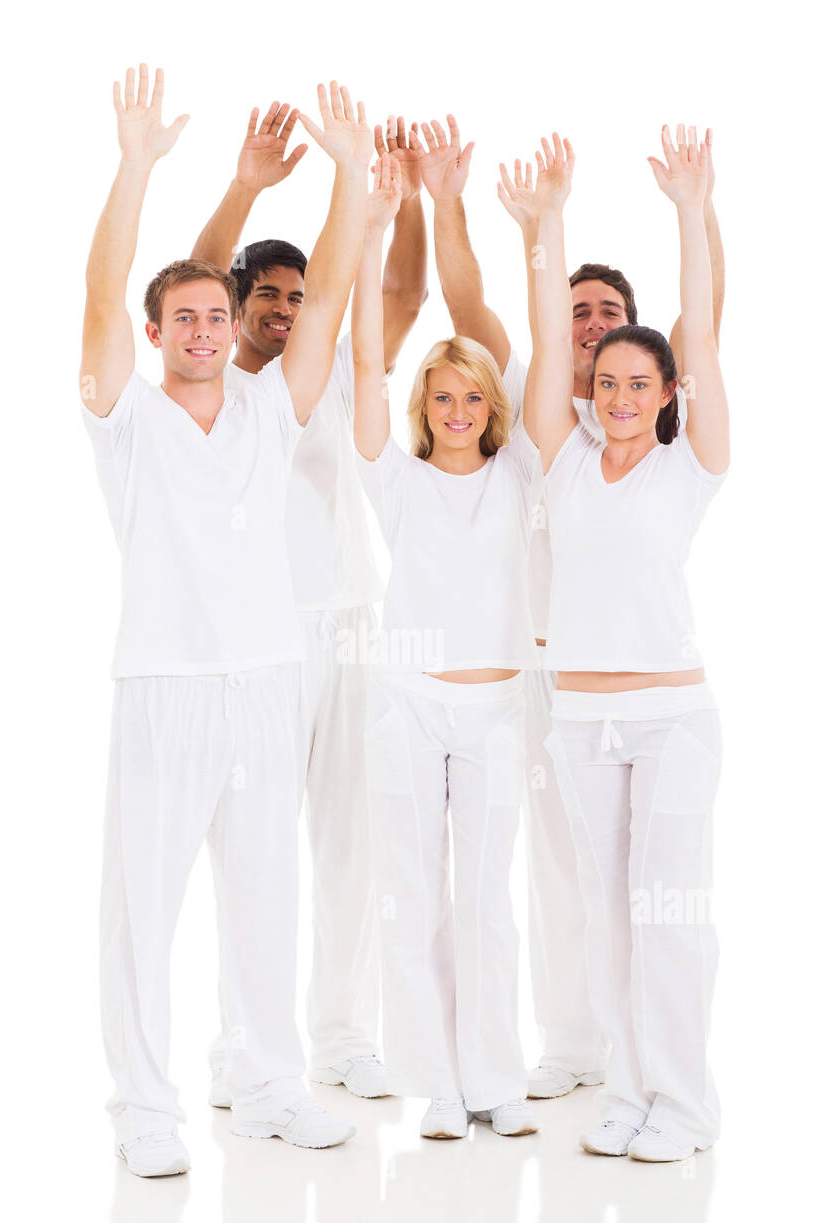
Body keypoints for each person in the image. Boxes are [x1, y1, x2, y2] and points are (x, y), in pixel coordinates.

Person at [80, 68, 371, 1174]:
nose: (205, 327)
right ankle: (144, 1112)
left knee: (265, 899)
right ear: (158, 332)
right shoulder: (127, 417)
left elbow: (334, 298)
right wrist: (137, 164)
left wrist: (350, 173)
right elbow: (101, 295)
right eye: (185, 315)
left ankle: (267, 1082)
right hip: (164, 687)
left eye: (217, 313)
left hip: (265, 680)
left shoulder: (264, 403)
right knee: (142, 910)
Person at [418, 114, 724, 1101]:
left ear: (649, 368)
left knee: (654, 894)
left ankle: (661, 1077)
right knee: (572, 878)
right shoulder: (543, 417)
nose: (587, 324)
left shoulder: (664, 434)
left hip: (643, 685)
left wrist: (694, 206)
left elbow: (703, 326)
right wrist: (464, 206)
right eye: (576, 314)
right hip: (541, 672)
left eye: (605, 314)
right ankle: (578, 1046)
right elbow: (485, 311)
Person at [500, 126, 728, 1161]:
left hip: (667, 719)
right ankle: (630, 1094)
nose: (620, 396)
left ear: (665, 393)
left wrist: (690, 210)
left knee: (667, 912)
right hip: (580, 720)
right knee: (606, 916)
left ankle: (682, 1105)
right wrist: (542, 229)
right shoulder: (561, 459)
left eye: (641, 384)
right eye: (608, 385)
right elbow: (550, 343)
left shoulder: (685, 466)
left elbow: (705, 334)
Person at [192, 104, 428, 1103]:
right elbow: (187, 277)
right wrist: (247, 183)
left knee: (351, 838)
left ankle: (340, 1034)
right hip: (252, 645)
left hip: (348, 631)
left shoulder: (325, 372)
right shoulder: (200, 391)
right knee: (252, 848)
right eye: (269, 296)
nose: (287, 309)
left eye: (298, 296)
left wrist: (404, 197)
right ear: (235, 303)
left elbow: (401, 291)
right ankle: (245, 1047)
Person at [352, 154, 540, 1140]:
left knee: (485, 900)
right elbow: (360, 367)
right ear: (422, 406)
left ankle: (493, 1078)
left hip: (495, 707)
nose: (457, 413)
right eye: (441, 399)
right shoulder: (394, 475)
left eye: (470, 398)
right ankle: (432, 1081)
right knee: (410, 892)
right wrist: (380, 216)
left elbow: (526, 345)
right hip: (408, 703)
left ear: (488, 405)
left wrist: (452, 201)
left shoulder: (519, 473)